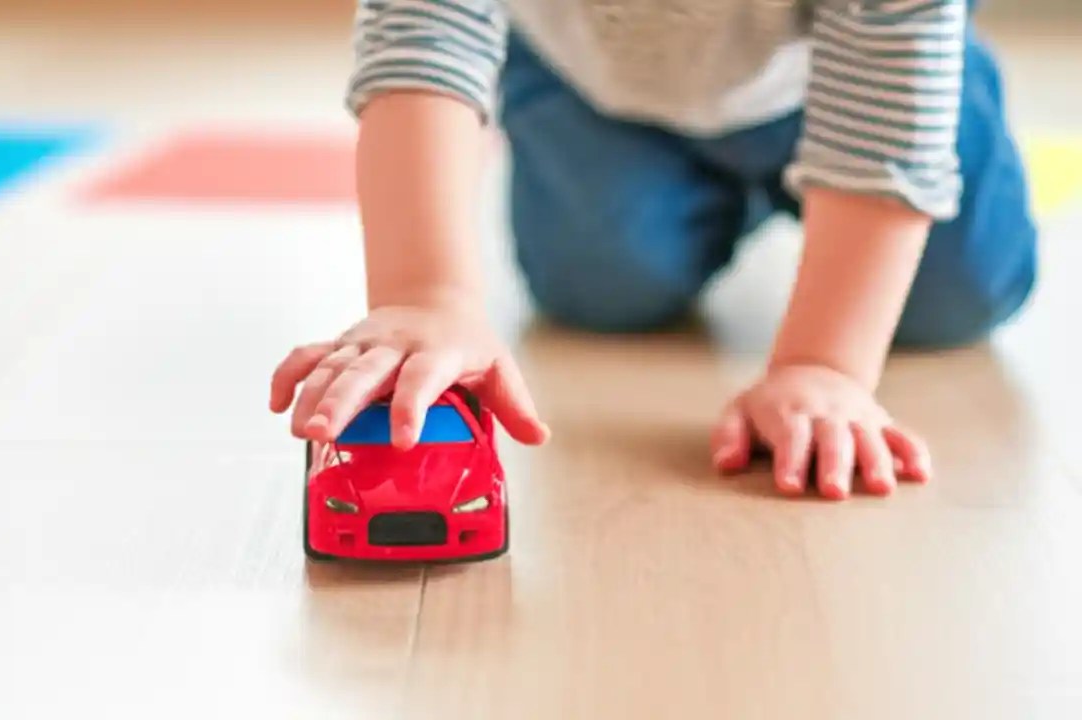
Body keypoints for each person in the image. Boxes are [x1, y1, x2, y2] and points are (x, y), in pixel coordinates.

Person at [269, 0, 1037, 500]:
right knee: (600, 292)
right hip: (599, 90)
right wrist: (426, 295)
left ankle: (862, 155)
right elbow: (424, 29)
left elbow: (887, 97)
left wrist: (822, 366)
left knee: (955, 297)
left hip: (844, 74)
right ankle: (707, 191)